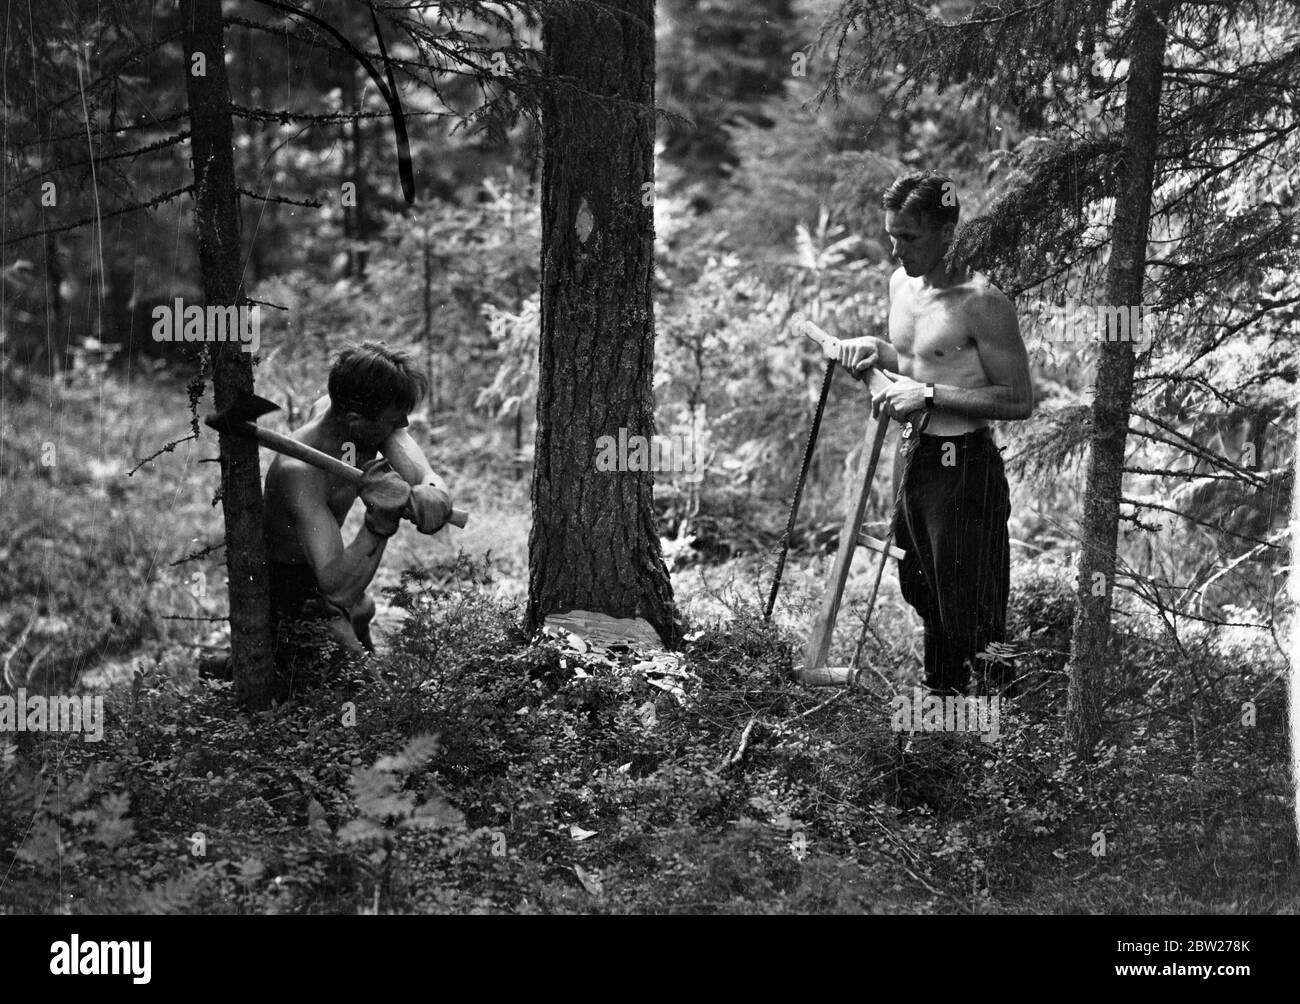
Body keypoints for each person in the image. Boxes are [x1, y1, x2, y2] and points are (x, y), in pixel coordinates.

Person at [837, 171, 1033, 696]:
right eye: (892, 235)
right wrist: (877, 349)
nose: (897, 249)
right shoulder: (902, 284)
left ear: (947, 232)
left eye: (910, 237)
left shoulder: (983, 301)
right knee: (921, 586)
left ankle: (1007, 717)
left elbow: (1017, 399)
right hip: (915, 455)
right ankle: (942, 704)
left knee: (971, 603)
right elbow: (919, 359)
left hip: (965, 464)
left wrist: (926, 396)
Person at [261, 341, 453, 684]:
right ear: (354, 419)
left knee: (363, 612)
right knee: (363, 694)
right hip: (289, 587)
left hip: (324, 578)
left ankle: (349, 645)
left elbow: (420, 469)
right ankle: (242, 668)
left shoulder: (351, 418)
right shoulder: (299, 473)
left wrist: (432, 490)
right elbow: (336, 587)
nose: (405, 423)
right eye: (395, 419)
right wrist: (380, 522)